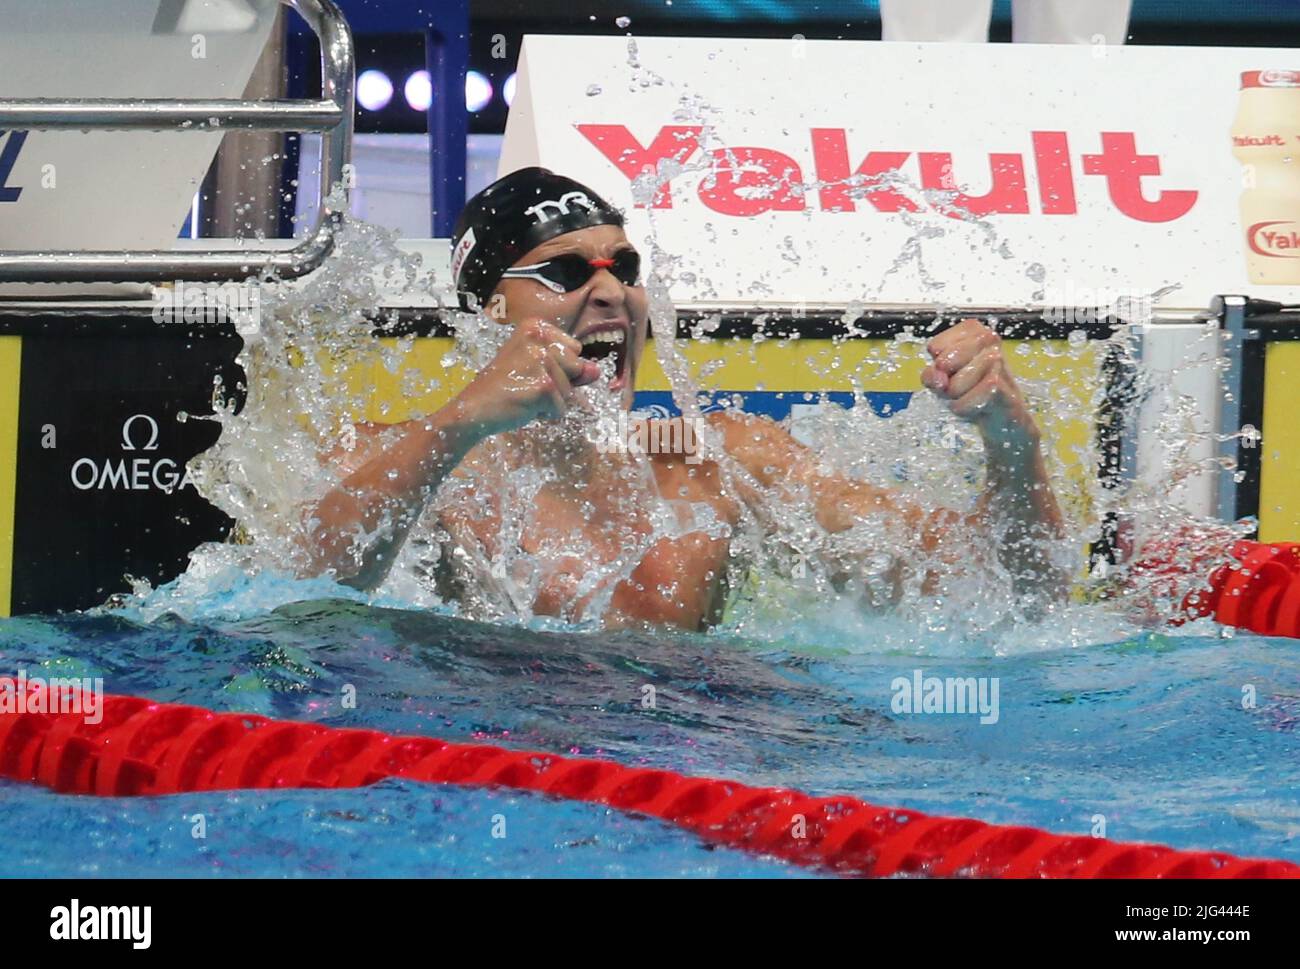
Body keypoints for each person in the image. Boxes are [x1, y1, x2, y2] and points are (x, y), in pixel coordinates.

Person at [301, 167, 1064, 631]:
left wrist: (1011, 439)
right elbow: (299, 597)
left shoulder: (720, 459)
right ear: (490, 310)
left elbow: (1003, 596)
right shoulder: (407, 458)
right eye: (566, 275)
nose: (610, 293)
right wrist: (462, 420)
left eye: (623, 268)